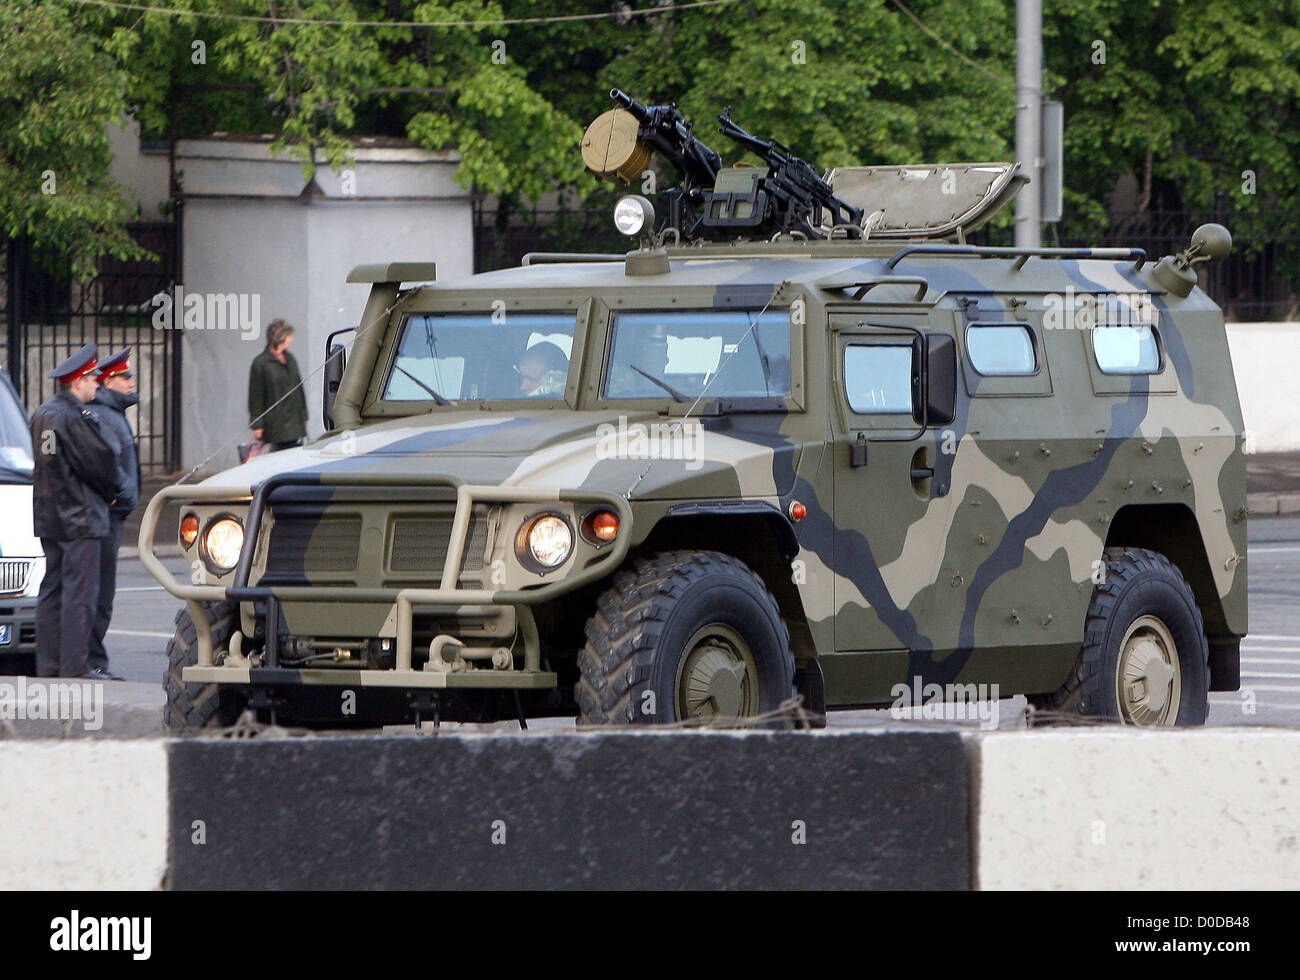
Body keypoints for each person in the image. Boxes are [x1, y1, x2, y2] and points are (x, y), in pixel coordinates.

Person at [30, 344, 124, 679]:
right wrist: (112, 491)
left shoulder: (44, 413)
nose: (98, 384)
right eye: (92, 378)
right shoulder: (75, 417)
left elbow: (51, 463)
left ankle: (50, 666)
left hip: (50, 516)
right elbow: (100, 463)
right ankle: (75, 666)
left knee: (52, 592)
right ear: (77, 381)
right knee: (80, 594)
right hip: (80, 517)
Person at [86, 348, 140, 681]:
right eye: (126, 376)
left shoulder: (113, 412)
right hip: (106, 515)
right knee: (98, 594)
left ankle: (95, 659)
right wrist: (118, 495)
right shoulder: (104, 414)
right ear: (108, 381)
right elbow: (101, 463)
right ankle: (93, 661)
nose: (132, 382)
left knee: (101, 593)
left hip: (113, 514)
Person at [248, 319, 307, 451]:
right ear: (280, 338)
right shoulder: (261, 363)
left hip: (294, 422)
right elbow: (255, 397)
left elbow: (299, 387)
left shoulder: (290, 359)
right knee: (278, 455)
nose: (291, 339)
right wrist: (257, 424)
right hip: (276, 424)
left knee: (296, 456)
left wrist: (304, 415)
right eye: (289, 336)